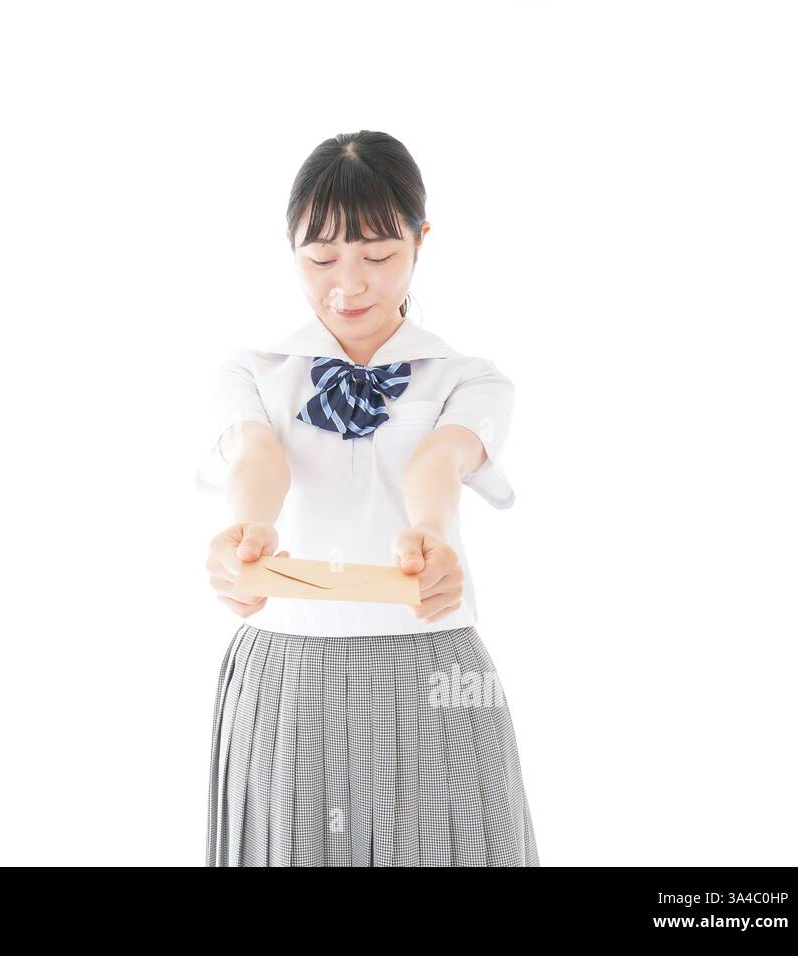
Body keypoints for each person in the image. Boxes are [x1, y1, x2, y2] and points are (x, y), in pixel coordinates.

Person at [198, 130, 539, 866]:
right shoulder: (253, 370)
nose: (348, 285)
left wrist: (430, 535)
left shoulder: (468, 378)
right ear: (290, 249)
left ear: (421, 239)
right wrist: (248, 531)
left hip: (435, 663)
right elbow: (256, 455)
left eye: (378, 256)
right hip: (285, 667)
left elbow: (439, 462)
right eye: (320, 259)